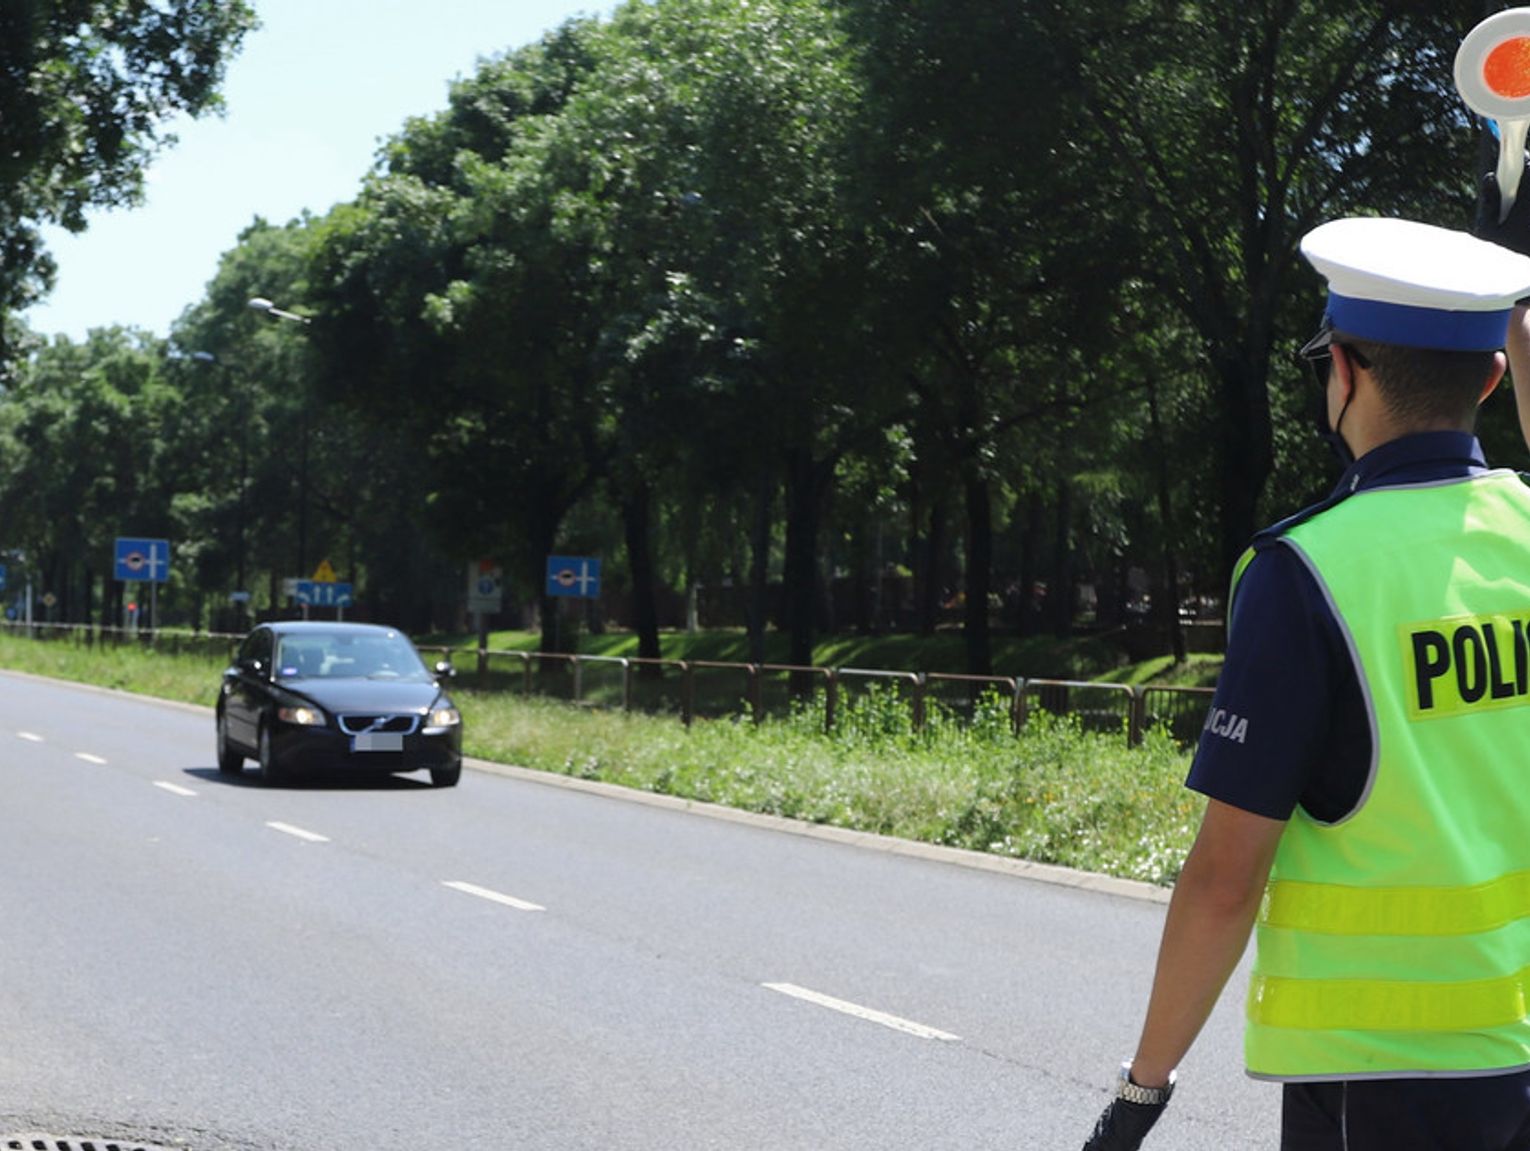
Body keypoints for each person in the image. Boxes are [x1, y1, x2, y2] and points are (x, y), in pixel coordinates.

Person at [1081, 216, 1530, 1151]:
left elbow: (1226, 876)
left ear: (1345, 374)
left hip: (1391, 1074)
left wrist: (1140, 1093)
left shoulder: (1305, 572)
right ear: (1492, 379)